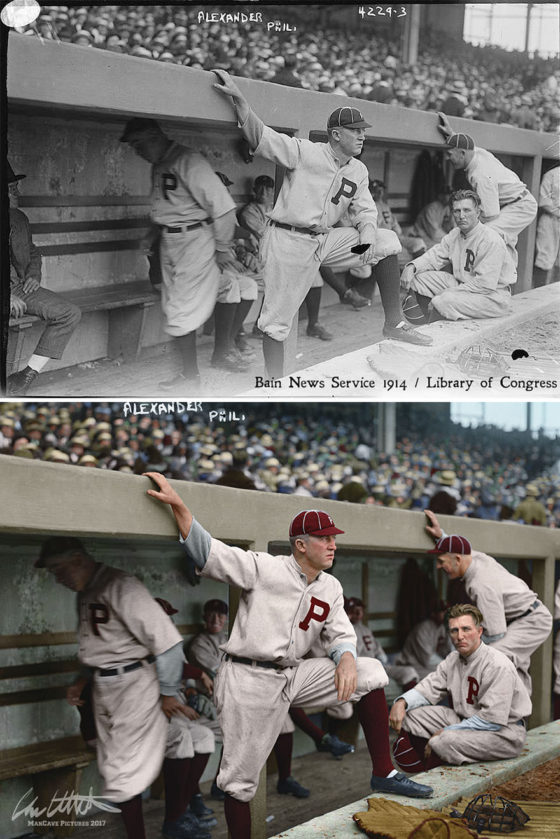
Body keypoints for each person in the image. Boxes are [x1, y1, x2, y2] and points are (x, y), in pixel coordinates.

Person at [144, 474, 434, 839]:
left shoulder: (331, 585)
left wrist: (345, 656)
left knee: (371, 671)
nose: (332, 545)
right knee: (239, 782)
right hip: (247, 679)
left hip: (292, 675)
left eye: (333, 538)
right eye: (324, 539)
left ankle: (383, 772)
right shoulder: (265, 567)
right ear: (300, 544)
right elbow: (209, 552)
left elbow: (342, 632)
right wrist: (180, 506)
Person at [212, 70, 432, 378]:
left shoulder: (358, 170)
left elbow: (366, 211)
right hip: (287, 241)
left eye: (363, 130)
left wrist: (367, 238)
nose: (362, 135)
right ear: (336, 134)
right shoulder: (304, 151)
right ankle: (275, 387)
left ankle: (393, 323)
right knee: (275, 324)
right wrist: (238, 97)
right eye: (355, 130)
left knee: (385, 241)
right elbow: (261, 135)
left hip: (324, 240)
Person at [35, 537, 194, 839]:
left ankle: (173, 819)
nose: (58, 578)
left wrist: (169, 693)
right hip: (105, 687)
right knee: (117, 767)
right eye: (53, 572)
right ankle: (173, 820)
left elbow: (169, 644)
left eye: (60, 569)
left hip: (135, 684)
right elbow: (99, 647)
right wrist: (81, 679)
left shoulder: (122, 585)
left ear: (79, 560)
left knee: (125, 770)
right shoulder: (86, 590)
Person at [119, 118, 238, 389]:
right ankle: (199, 366)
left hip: (195, 240)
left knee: (179, 310)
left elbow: (224, 208)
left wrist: (222, 248)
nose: (137, 151)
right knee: (176, 305)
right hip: (171, 242)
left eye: (138, 144)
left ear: (154, 136)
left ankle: (190, 376)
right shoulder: (160, 164)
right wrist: (150, 235)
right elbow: (164, 209)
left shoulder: (189, 160)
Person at [389, 604, 531, 773]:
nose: (460, 636)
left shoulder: (497, 664)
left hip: (503, 733)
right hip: (466, 721)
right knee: (412, 716)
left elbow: (491, 721)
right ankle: (427, 767)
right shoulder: (453, 659)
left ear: (479, 631)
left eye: (466, 629)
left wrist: (446, 731)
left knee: (443, 741)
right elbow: (429, 687)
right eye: (454, 631)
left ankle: (437, 778)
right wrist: (401, 702)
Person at [424, 511, 553, 693]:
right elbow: (460, 550)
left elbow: (495, 636)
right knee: (512, 664)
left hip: (531, 621)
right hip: (522, 618)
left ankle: (505, 714)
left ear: (458, 560)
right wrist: (442, 536)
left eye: (441, 561)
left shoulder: (480, 585)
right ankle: (520, 715)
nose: (438, 566)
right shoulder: (475, 558)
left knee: (491, 658)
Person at [7, 162, 81, 395]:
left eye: (16, 186)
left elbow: (33, 251)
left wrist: (33, 275)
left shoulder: (19, 218)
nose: (17, 193)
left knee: (70, 313)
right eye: (11, 188)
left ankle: (25, 376)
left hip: (20, 287)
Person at [401, 190, 517, 324]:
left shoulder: (490, 239)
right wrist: (411, 266)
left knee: (443, 301)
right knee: (418, 279)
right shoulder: (455, 233)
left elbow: (484, 285)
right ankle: (429, 323)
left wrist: (447, 293)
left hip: (492, 296)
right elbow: (434, 256)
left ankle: (437, 331)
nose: (461, 216)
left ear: (478, 212)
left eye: (467, 210)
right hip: (464, 286)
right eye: (457, 211)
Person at [437, 116, 538, 265]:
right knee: (496, 237)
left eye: (450, 154)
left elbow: (490, 215)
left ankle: (501, 278)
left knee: (485, 234)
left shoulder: (480, 175)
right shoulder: (477, 153)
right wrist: (452, 134)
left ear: (462, 154)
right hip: (513, 204)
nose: (447, 158)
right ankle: (506, 278)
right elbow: (466, 145)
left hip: (520, 206)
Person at [345, 597, 418, 691]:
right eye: (355, 610)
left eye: (361, 610)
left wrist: (381, 656)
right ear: (349, 613)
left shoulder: (365, 629)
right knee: (380, 682)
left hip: (380, 665)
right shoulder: (346, 630)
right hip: (365, 669)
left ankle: (410, 702)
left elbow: (377, 648)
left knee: (409, 672)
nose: (359, 613)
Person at [394, 603, 452, 681]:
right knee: (443, 676)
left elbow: (448, 650)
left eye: (447, 611)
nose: (446, 614)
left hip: (427, 664)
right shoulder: (422, 629)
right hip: (412, 663)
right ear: (433, 613)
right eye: (442, 611)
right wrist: (447, 666)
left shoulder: (443, 627)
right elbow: (428, 659)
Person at [533, 164, 560, 287]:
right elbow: (543, 200)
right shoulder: (552, 174)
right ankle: (539, 291)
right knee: (545, 257)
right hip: (551, 218)